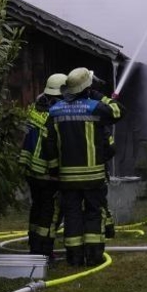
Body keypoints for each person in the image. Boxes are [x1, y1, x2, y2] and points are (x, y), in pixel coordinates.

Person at [44, 67, 123, 267]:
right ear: (87, 87)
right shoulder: (94, 107)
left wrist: (54, 170)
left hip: (68, 179)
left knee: (72, 215)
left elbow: (49, 146)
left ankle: (74, 257)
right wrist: (99, 96)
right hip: (93, 177)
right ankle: (94, 256)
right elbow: (119, 110)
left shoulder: (54, 111)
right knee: (94, 213)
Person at [18, 72, 66, 261]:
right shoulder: (54, 115)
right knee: (50, 212)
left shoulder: (35, 108)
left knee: (36, 208)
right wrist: (56, 170)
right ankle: (44, 251)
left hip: (31, 171)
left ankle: (34, 244)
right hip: (47, 173)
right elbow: (52, 145)